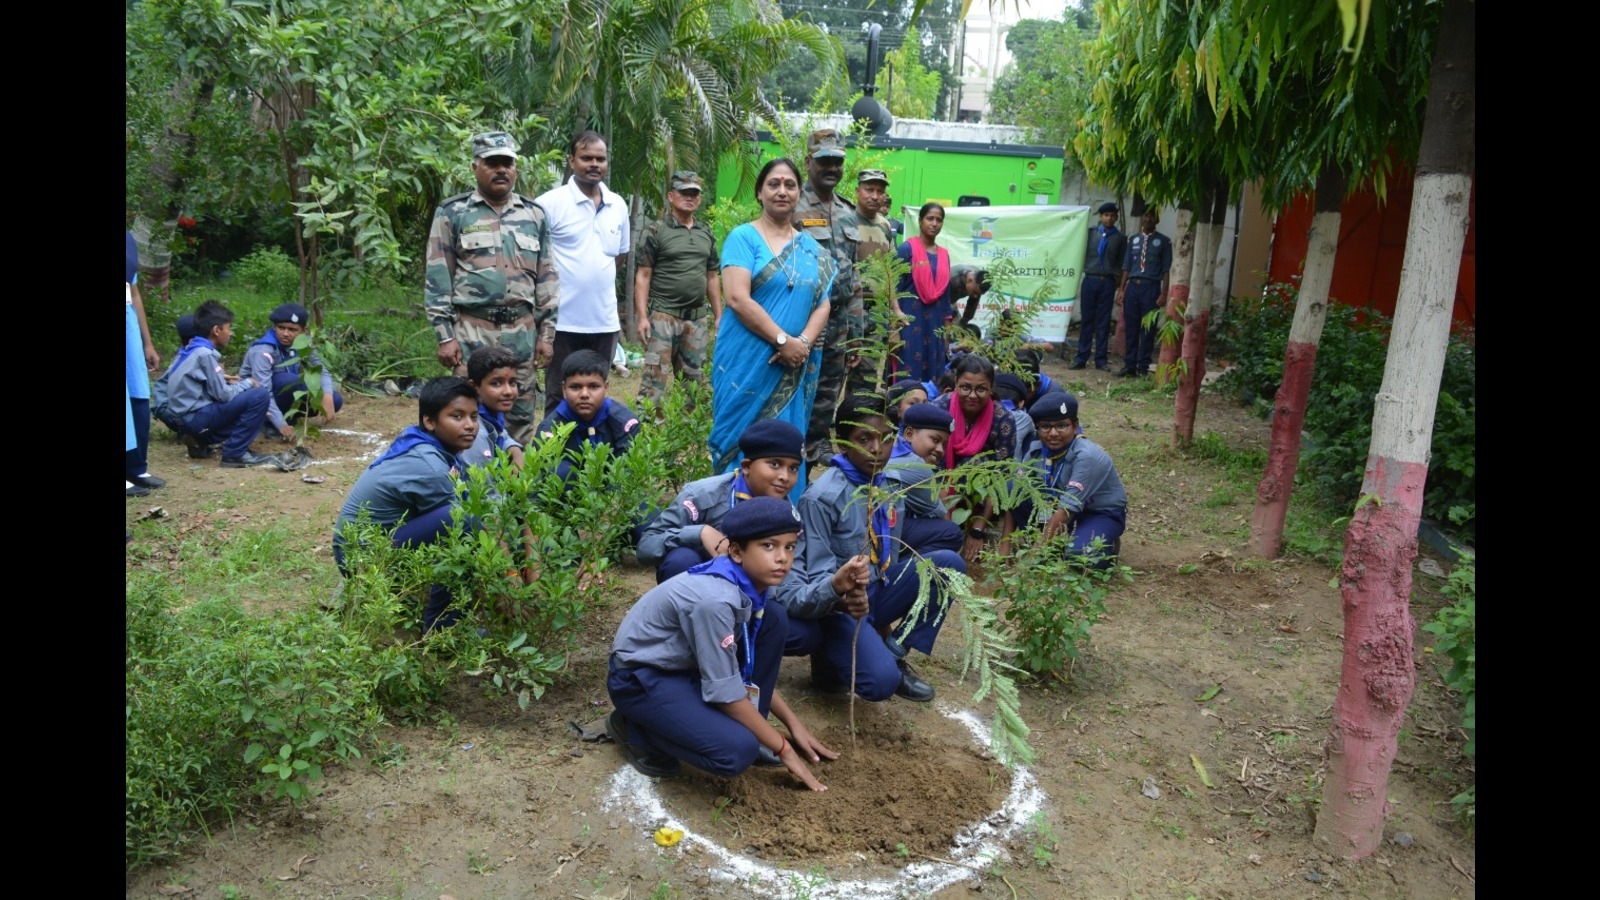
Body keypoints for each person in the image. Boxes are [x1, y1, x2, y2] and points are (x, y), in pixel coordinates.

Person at [607, 496, 835, 789]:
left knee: (774, 620)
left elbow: (736, 671)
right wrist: (783, 748)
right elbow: (726, 694)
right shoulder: (716, 601)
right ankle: (635, 728)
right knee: (737, 752)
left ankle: (737, 727)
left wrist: (793, 724)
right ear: (737, 552)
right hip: (641, 677)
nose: (782, 557)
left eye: (789, 546)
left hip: (686, 667)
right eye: (769, 546)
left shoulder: (749, 583)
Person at [777, 393, 967, 703]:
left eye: (886, 438)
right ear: (842, 443)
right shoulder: (822, 498)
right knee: (879, 684)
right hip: (841, 605)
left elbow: (887, 553)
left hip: (878, 588)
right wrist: (844, 597)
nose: (877, 449)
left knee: (948, 564)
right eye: (864, 439)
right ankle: (829, 659)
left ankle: (893, 652)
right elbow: (817, 577)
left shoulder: (890, 484)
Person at [425, 130, 559, 444]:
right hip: (473, 331)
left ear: (515, 168)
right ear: (475, 167)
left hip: (521, 331)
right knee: (466, 410)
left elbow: (547, 279)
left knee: (520, 410)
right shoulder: (453, 213)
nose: (501, 170)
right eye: (492, 163)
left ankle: (516, 470)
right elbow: (438, 276)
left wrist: (547, 335)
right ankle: (472, 472)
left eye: (507, 163)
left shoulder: (534, 215)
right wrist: (445, 336)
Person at [709, 157, 834, 488]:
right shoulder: (743, 238)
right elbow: (737, 298)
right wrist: (783, 341)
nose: (782, 191)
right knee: (741, 440)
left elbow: (823, 303)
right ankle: (734, 509)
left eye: (790, 185)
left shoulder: (812, 249)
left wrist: (802, 344)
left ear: (799, 193)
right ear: (759, 192)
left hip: (793, 364)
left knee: (786, 442)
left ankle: (781, 514)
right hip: (747, 360)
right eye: (773, 184)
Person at [333, 377, 480, 631]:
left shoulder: (426, 443)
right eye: (457, 417)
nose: (470, 425)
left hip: (372, 543)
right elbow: (462, 524)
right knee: (464, 520)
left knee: (464, 515)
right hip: (362, 557)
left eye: (474, 417)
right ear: (430, 421)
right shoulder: (430, 465)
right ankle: (442, 627)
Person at [637, 419, 803, 584]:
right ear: (746, 466)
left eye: (793, 468)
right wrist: (700, 533)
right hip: (700, 587)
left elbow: (793, 578)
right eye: (774, 464)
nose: (785, 477)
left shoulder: (790, 518)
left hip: (755, 594)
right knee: (681, 560)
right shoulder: (703, 495)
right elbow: (646, 546)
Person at [537, 131, 631, 415]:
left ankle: (592, 443)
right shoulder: (550, 203)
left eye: (600, 159)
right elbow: (535, 259)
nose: (594, 164)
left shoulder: (618, 204)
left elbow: (619, 257)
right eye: (586, 158)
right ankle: (555, 446)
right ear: (571, 161)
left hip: (604, 321)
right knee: (559, 394)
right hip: (562, 322)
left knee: (595, 396)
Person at [794, 129, 862, 464]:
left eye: (837, 161)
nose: (832, 167)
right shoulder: (793, 206)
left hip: (839, 318)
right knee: (799, 381)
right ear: (809, 163)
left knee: (830, 384)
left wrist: (857, 330)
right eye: (824, 161)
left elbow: (854, 273)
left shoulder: (848, 211)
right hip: (802, 317)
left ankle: (818, 441)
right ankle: (792, 440)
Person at [1004, 392, 1127, 567]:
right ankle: (1055, 544)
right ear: (1037, 429)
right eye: (1045, 427)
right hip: (1057, 506)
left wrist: (1034, 556)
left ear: (1075, 426)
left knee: (1079, 555)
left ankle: (1106, 546)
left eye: (1062, 426)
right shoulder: (1036, 450)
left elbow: (1067, 510)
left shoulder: (1087, 456)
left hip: (1098, 512)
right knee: (1013, 486)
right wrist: (1005, 544)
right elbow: (1014, 494)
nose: (1053, 433)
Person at [633, 171, 721, 407]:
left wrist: (718, 316)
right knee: (654, 383)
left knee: (694, 385)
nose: (689, 197)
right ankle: (647, 428)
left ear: (699, 199)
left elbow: (712, 276)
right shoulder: (656, 230)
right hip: (663, 316)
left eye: (694, 193)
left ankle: (687, 431)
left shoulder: (706, 233)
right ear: (671, 196)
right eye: (684, 193)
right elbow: (643, 275)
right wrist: (642, 317)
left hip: (696, 320)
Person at [166, 300, 277, 468]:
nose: (230, 333)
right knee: (259, 396)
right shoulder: (205, 355)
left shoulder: (189, 349)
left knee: (243, 398)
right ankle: (235, 453)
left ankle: (201, 440)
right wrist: (247, 382)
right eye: (228, 328)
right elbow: (223, 395)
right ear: (216, 330)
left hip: (182, 420)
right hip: (195, 419)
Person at [943, 353, 1017, 562]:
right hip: (941, 487)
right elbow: (933, 469)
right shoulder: (940, 409)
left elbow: (1001, 478)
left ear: (991, 388)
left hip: (983, 491)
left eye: (981, 389)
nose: (972, 395)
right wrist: (946, 527)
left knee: (976, 464)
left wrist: (978, 529)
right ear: (955, 384)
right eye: (965, 387)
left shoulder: (1003, 420)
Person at [238, 303, 343, 441]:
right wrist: (280, 424)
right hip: (256, 401)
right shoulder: (263, 351)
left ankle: (289, 416)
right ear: (274, 327)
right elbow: (263, 390)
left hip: (283, 392)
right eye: (281, 328)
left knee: (335, 399)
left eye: (292, 329)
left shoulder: (304, 343)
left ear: (303, 331)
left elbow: (321, 370)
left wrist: (327, 396)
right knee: (290, 381)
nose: (285, 334)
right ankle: (270, 423)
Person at [535, 349, 641, 479]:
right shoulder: (550, 429)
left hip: (612, 487)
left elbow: (628, 474)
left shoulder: (625, 423)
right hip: (568, 489)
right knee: (560, 471)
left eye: (594, 386)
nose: (584, 394)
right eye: (575, 387)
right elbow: (539, 480)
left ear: (606, 388)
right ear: (564, 389)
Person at [883, 403, 965, 556]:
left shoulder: (891, 448)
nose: (940, 449)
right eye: (935, 440)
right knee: (951, 533)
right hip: (878, 531)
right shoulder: (917, 466)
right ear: (909, 434)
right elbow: (941, 516)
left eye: (944, 444)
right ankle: (903, 565)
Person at [846, 169, 897, 395]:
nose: (875, 196)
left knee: (866, 378)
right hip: (847, 310)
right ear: (857, 191)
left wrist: (895, 310)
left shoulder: (885, 226)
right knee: (835, 372)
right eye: (869, 190)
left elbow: (890, 271)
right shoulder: (845, 221)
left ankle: (855, 414)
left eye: (880, 191)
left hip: (877, 312)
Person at [896, 202, 954, 382]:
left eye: (939, 220)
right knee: (908, 372)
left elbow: (946, 297)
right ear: (920, 221)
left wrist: (946, 333)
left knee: (934, 374)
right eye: (930, 218)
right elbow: (893, 288)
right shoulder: (907, 249)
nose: (934, 224)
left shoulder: (944, 255)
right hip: (910, 322)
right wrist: (895, 320)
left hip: (935, 325)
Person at [126, 231, 164, 498]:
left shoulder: (127, 240)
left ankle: (135, 467)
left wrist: (147, 343)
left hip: (128, 325)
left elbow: (134, 292)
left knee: (138, 394)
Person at [1117, 208, 1172, 377]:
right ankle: (1129, 365)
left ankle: (1143, 366)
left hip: (1151, 288)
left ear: (1157, 219)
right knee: (1131, 327)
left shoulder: (1164, 241)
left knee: (1148, 329)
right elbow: (1126, 266)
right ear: (1142, 218)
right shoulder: (1133, 239)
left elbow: (1166, 270)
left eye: (1152, 216)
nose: (1148, 219)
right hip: (1133, 287)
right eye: (1145, 215)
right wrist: (1121, 289)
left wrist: (1164, 293)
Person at [1073, 202, 1125, 371]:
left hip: (1107, 282)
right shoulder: (1090, 233)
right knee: (1087, 320)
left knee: (1103, 322)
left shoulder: (1119, 238)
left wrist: (1118, 284)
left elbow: (1121, 263)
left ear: (1116, 218)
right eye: (1106, 215)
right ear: (1101, 217)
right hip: (1090, 279)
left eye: (1112, 215)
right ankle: (1081, 357)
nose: (1109, 218)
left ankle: (1101, 360)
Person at [463, 346, 525, 469]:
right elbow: (483, 480)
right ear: (474, 387)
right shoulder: (475, 434)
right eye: (496, 383)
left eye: (512, 382)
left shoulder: (490, 412)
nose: (508, 391)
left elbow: (502, 434)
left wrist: (515, 449)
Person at [950, 266, 989, 339]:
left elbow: (971, 306)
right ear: (969, 280)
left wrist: (962, 324)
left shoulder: (979, 281)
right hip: (937, 300)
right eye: (974, 292)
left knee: (958, 330)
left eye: (978, 294)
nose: (975, 296)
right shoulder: (951, 278)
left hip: (952, 300)